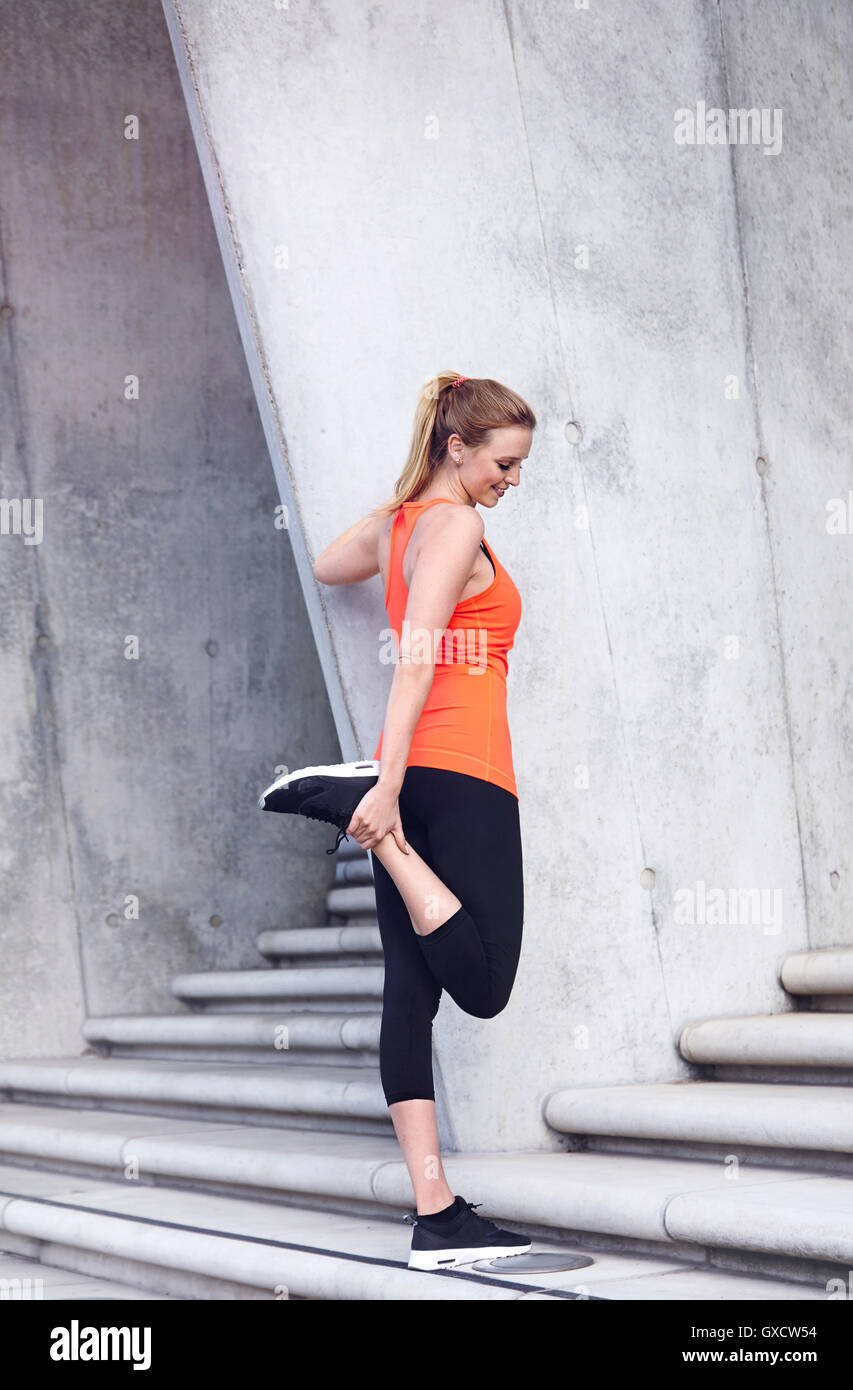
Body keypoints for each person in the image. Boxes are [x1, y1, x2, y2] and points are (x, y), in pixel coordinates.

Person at [259, 371, 536, 1271]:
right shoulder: (457, 524)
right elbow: (415, 656)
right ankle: (365, 818)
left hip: (409, 774)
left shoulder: (403, 525)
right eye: (504, 461)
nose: (511, 480)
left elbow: (330, 562)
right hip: (457, 772)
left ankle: (436, 1215)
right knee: (484, 985)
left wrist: (401, 501)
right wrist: (387, 796)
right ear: (460, 447)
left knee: (408, 998)